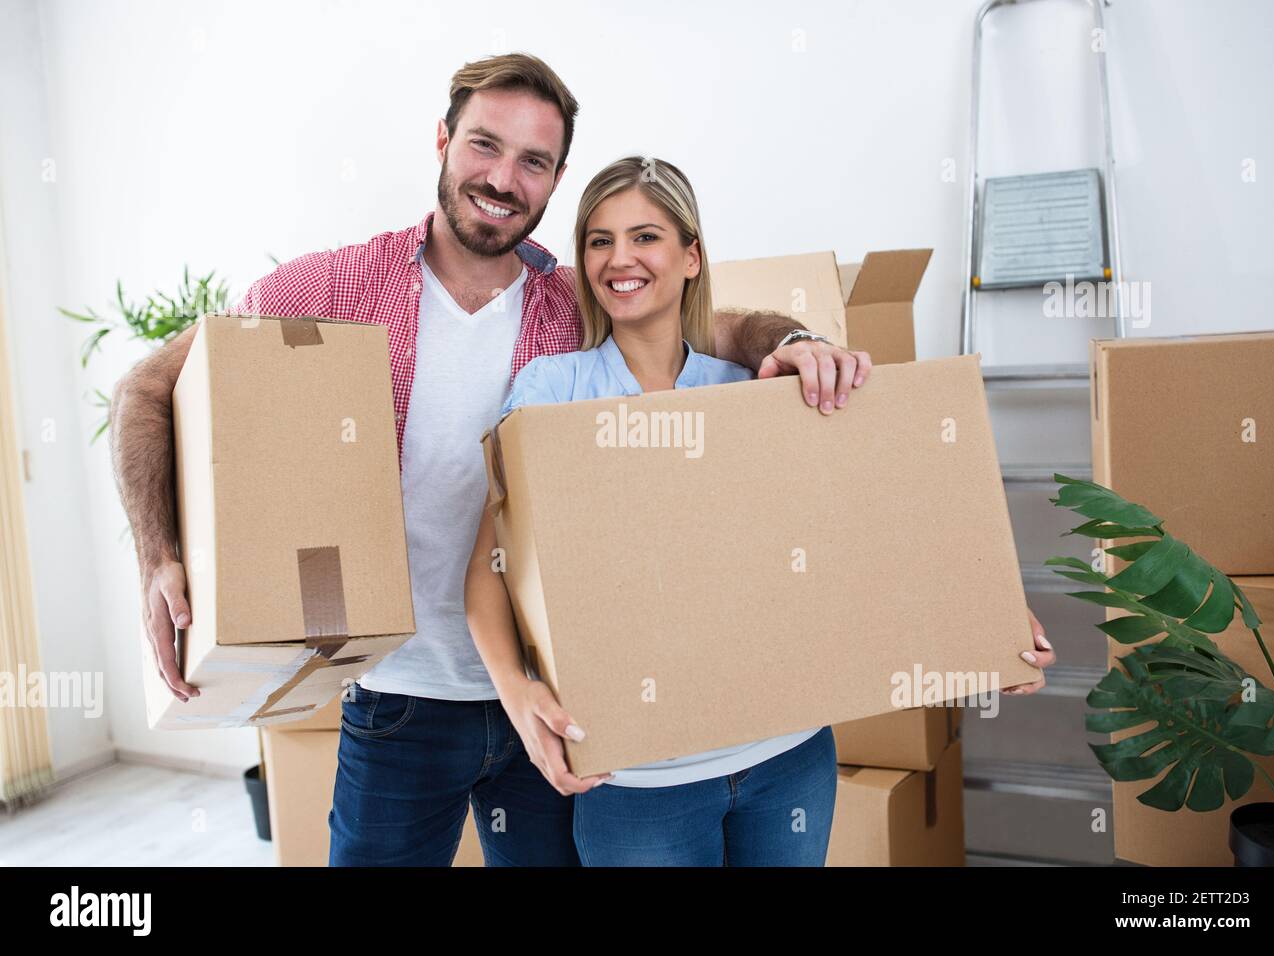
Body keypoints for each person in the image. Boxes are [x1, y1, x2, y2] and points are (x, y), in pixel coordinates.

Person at [108, 52, 905, 867]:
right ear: (444, 140)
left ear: (555, 179)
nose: (502, 177)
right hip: (403, 699)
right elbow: (146, 389)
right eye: (485, 145)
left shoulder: (580, 304)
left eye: (533, 161)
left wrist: (798, 341)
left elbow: (723, 329)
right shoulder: (333, 289)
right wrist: (158, 556)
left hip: (558, 698)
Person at [466, 156, 847, 865]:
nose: (620, 259)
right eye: (599, 241)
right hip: (640, 781)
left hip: (786, 751)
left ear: (691, 255)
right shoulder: (554, 392)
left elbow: (842, 540)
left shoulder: (753, 388)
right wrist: (517, 696)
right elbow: (491, 569)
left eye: (645, 236)